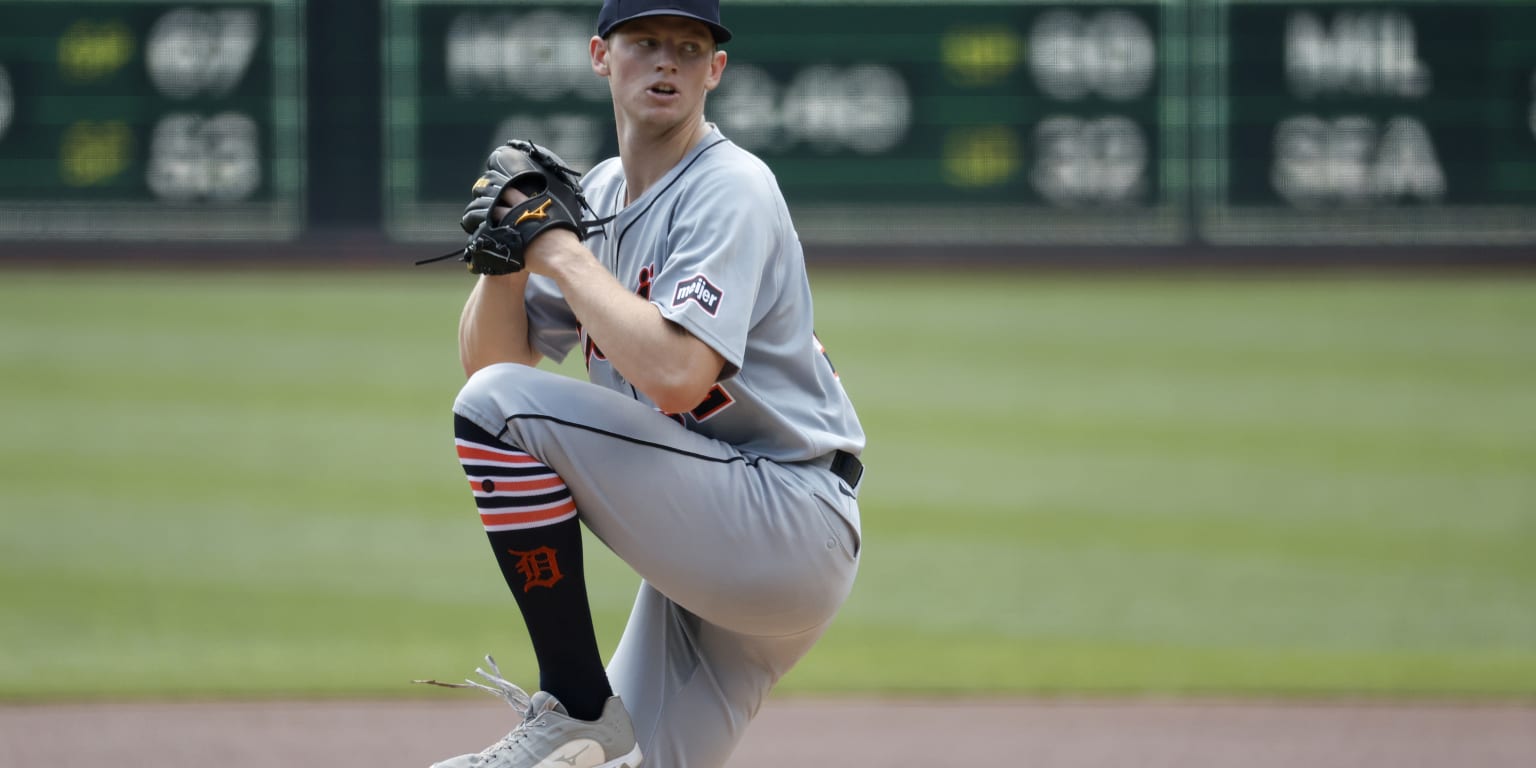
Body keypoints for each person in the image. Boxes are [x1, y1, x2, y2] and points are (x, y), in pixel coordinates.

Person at [425, 0, 865, 766]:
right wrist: (506, 259)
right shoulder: (596, 193)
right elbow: (492, 362)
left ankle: (575, 704)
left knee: (494, 414)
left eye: (690, 48)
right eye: (645, 42)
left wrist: (557, 252)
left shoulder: (731, 186)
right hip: (716, 541)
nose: (668, 61)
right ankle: (587, 731)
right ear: (601, 55)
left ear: (715, 71)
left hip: (784, 518)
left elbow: (676, 379)